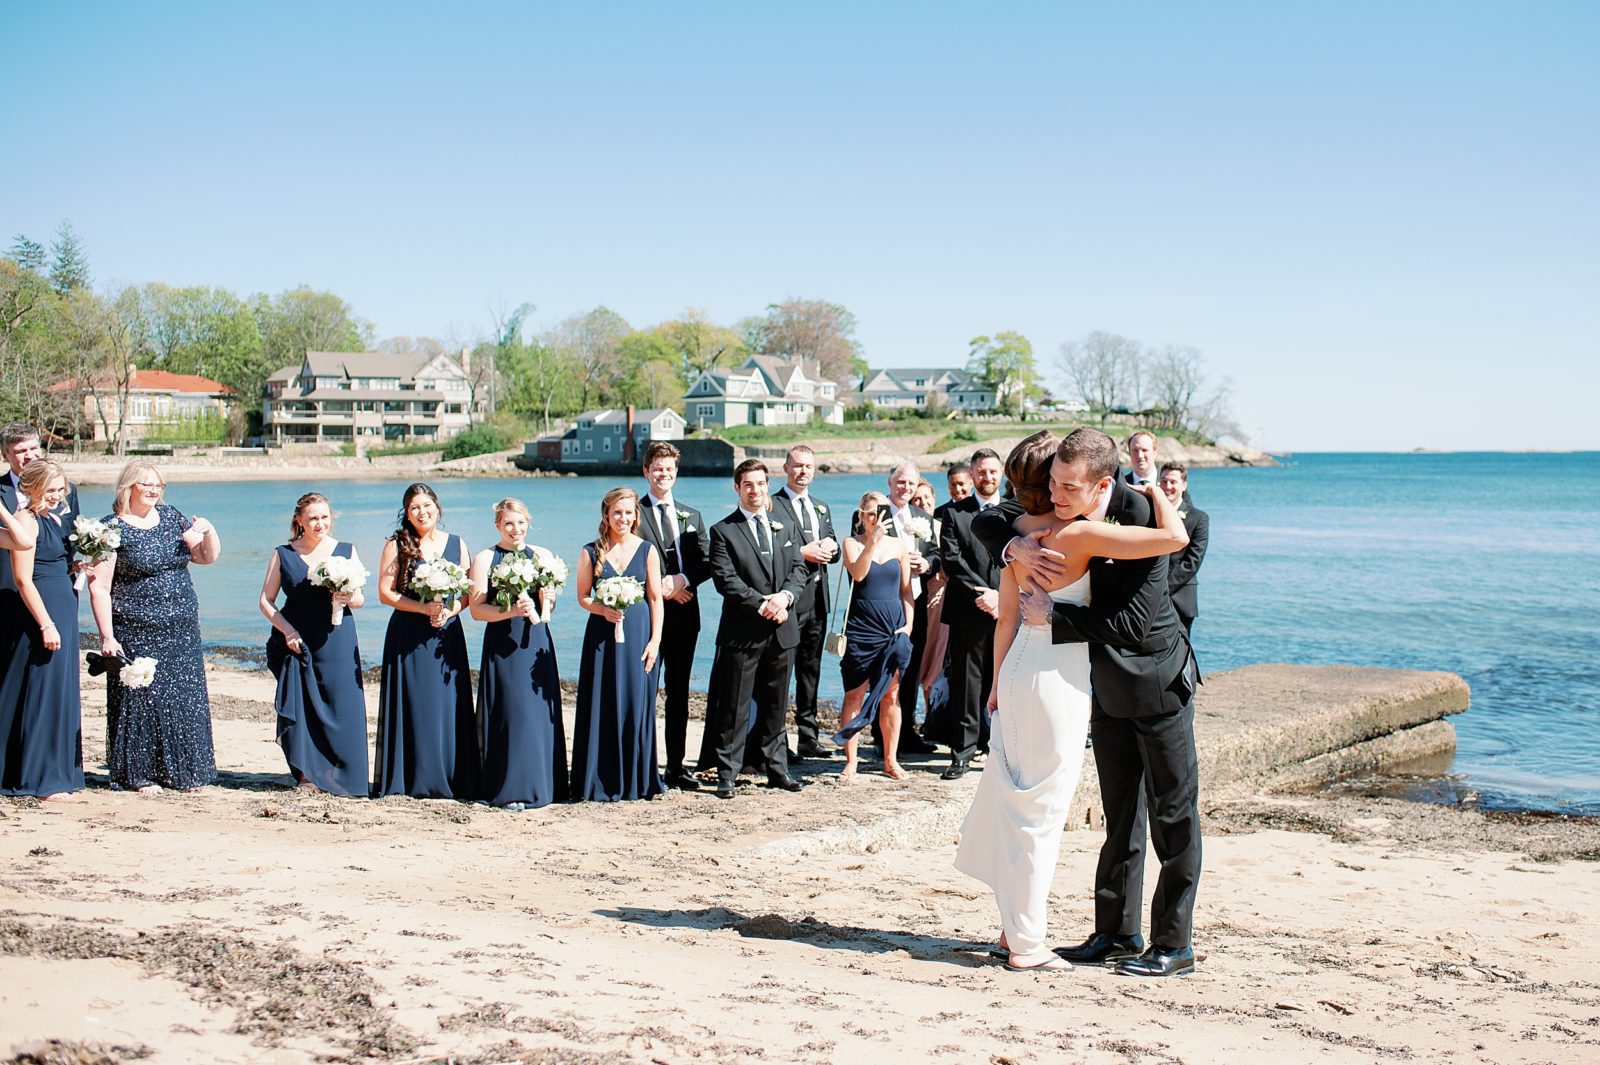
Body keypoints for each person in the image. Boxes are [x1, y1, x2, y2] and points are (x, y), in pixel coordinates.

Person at [972, 428, 1202, 977]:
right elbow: (989, 516)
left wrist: (1054, 616)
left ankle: (1174, 945)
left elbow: (1130, 623)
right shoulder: (1056, 512)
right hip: (1098, 686)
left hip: (1157, 682)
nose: (1055, 494)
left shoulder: (1144, 517)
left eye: (1068, 487)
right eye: (1051, 482)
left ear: (1101, 485)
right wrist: (1012, 544)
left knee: (1173, 815)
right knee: (1119, 816)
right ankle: (1116, 933)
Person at [87, 462, 220, 793]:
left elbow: (205, 557)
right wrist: (107, 636)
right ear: (128, 486)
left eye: (158, 485)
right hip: (136, 626)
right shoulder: (110, 528)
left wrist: (209, 532)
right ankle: (140, 774)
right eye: (146, 484)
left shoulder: (173, 516)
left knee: (183, 698)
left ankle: (185, 772)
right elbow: (99, 587)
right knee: (143, 699)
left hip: (182, 625)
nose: (153, 490)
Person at [705, 459, 808, 800]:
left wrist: (785, 598)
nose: (755, 490)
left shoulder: (786, 525)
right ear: (737, 488)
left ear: (767, 485)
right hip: (743, 630)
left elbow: (799, 570)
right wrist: (763, 604)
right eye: (748, 484)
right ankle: (727, 774)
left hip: (783, 628)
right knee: (734, 706)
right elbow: (726, 581)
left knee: (776, 705)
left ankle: (777, 770)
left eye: (760, 484)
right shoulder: (723, 531)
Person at [258, 492, 369, 796]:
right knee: (303, 705)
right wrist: (288, 631)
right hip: (297, 641)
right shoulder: (283, 553)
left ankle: (347, 775)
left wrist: (348, 597)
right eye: (312, 518)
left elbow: (359, 599)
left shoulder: (346, 550)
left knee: (343, 704)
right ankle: (307, 775)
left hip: (338, 639)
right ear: (299, 521)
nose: (319, 524)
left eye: (324, 517)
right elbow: (266, 601)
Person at [373, 483, 477, 800]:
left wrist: (449, 611)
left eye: (427, 505)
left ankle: (452, 777)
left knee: (447, 705)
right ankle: (411, 778)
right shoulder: (397, 544)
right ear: (407, 512)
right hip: (408, 634)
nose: (422, 512)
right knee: (414, 703)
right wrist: (422, 607)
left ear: (437, 507)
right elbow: (385, 593)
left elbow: (468, 593)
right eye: (415, 507)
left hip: (446, 635)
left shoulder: (457, 544)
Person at [469, 498, 567, 810]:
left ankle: (543, 786)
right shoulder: (486, 558)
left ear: (528, 522)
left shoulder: (542, 555)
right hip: (504, 644)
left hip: (537, 642)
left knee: (538, 714)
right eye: (508, 523)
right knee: (511, 713)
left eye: (520, 522)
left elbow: (548, 607)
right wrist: (510, 610)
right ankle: (508, 788)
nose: (516, 529)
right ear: (498, 525)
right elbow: (477, 611)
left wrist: (548, 599)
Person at [571, 487, 665, 802]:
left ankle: (637, 781)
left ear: (635, 516)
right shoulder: (590, 551)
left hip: (639, 636)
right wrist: (602, 609)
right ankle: (599, 778)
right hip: (601, 637)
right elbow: (583, 597)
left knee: (636, 704)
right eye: (617, 513)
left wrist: (655, 641)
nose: (622, 519)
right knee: (602, 700)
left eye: (628, 513)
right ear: (606, 515)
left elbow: (655, 598)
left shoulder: (647, 550)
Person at [0, 461, 82, 799]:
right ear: (30, 489)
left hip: (64, 608)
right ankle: (38, 777)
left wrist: (78, 564)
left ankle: (59, 771)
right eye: (50, 490)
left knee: (60, 691)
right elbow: (22, 580)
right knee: (41, 691)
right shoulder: (26, 521)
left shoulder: (54, 519)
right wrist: (45, 623)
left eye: (60, 489)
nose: (57, 496)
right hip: (42, 614)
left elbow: (57, 562)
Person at [635, 441, 711, 790]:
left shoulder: (691, 515)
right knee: (644, 691)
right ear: (646, 472)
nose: (663, 475)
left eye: (669, 470)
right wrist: (661, 588)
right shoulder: (632, 512)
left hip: (684, 614)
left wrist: (681, 581)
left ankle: (677, 766)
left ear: (676, 473)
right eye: (657, 469)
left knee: (678, 693)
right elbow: (620, 558)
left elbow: (708, 561)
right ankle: (641, 764)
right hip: (647, 617)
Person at [832, 491, 913, 781]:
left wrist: (909, 626)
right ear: (860, 514)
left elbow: (906, 591)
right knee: (854, 693)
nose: (873, 517)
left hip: (892, 626)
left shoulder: (899, 546)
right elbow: (858, 573)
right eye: (868, 512)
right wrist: (873, 541)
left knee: (891, 696)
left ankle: (890, 760)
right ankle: (851, 761)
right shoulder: (851, 543)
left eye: (878, 511)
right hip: (861, 627)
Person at [936, 448, 1005, 780]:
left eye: (992, 471)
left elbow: (1020, 558)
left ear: (1001, 473)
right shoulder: (955, 513)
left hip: (1007, 610)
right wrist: (983, 594)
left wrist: (1000, 595)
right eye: (981, 472)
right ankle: (962, 753)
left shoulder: (1014, 511)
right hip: (968, 609)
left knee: (1004, 681)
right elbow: (952, 560)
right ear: (973, 474)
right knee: (966, 683)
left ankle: (999, 749)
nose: (987, 477)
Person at [770, 444, 839, 760]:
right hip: (787, 602)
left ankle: (809, 737)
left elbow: (834, 547)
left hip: (817, 601)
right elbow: (768, 552)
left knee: (810, 671)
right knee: (782, 672)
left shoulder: (821, 507)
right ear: (786, 468)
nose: (802, 472)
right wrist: (802, 553)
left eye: (808, 466)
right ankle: (778, 740)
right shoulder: (772, 505)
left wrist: (831, 548)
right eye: (797, 466)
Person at [878, 462, 939, 757]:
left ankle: (907, 733)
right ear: (890, 482)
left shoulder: (922, 517)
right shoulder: (874, 513)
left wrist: (926, 564)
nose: (905, 488)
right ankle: (881, 736)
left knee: (912, 668)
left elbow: (937, 555)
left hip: (917, 603)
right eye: (900, 482)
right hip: (885, 604)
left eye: (911, 484)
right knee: (885, 670)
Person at [1159, 462, 1209, 634]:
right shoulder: (1150, 512)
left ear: (1184, 485)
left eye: (1173, 482)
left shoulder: (1198, 518)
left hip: (1181, 598)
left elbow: (1192, 562)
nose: (1168, 486)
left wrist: (1161, 587)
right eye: (1164, 481)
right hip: (1149, 599)